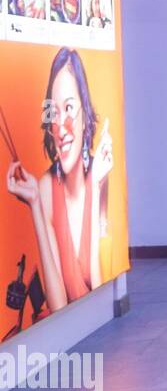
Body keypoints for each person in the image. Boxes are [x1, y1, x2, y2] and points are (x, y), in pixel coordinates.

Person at [5, 47, 112, 312]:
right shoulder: (45, 187)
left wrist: (96, 190)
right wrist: (35, 205)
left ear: (85, 117)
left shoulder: (99, 174)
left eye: (69, 108)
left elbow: (102, 292)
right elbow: (58, 307)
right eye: (54, 113)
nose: (61, 127)